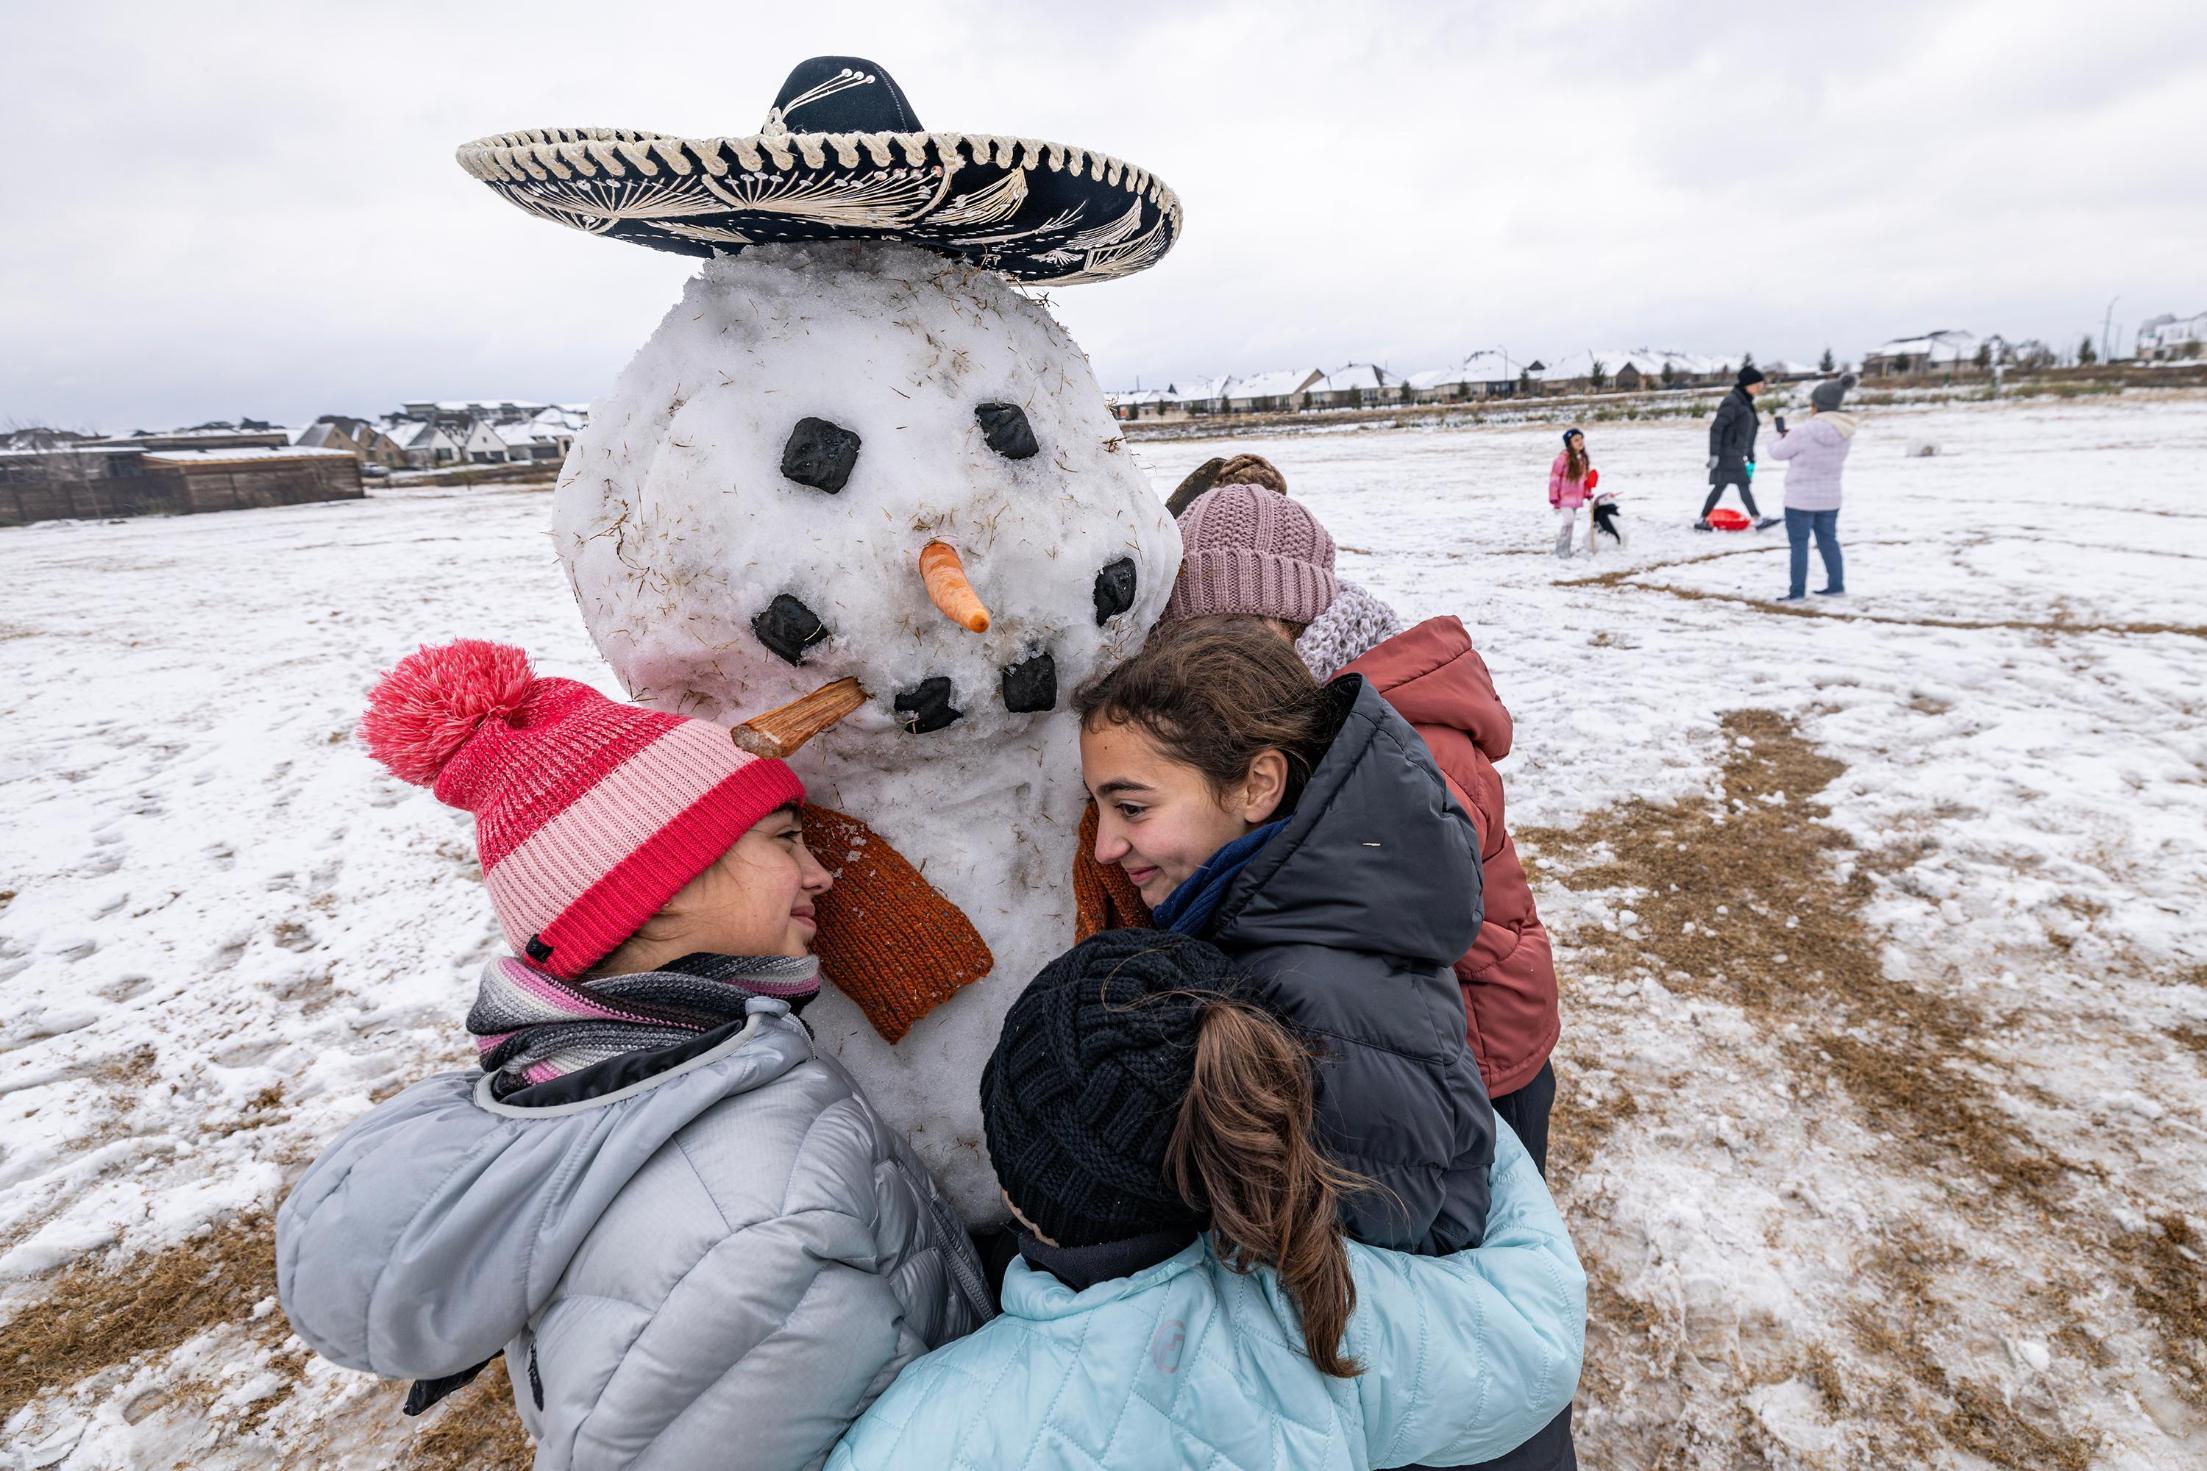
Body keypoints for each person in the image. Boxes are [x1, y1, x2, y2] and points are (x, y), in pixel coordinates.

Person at [276, 639, 989, 1471]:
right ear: (662, 878)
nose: (821, 871)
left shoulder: (599, 1077)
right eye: (786, 838)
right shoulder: (746, 1220)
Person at [826, 930, 1587, 1471]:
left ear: (1012, 1179)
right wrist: (1471, 1112)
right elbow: (1537, 1333)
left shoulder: (922, 1431)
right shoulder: (1328, 1307)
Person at [1134, 466, 1562, 1178]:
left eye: (1232, 632)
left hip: (1480, 1042)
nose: (1210, 660)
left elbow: (1381, 901)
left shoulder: (1411, 731)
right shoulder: (1278, 714)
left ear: (1297, 617)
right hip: (1396, 1043)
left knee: (1489, 1245)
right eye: (1188, 636)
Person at [1076, 621, 1495, 1255]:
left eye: (1132, 808)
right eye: (1097, 809)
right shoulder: (1287, 921)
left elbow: (1372, 1256)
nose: (1105, 848)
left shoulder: (1311, 1003)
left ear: (1257, 786)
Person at [1767, 373, 1859, 601]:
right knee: (1829, 541)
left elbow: (1777, 453)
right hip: (1830, 498)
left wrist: (1776, 437)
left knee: (1799, 545)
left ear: (1816, 404)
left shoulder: (1803, 431)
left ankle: (1797, 592)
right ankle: (1836, 585)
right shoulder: (1845, 433)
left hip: (1799, 499)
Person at [1698, 365, 1780, 530]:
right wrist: (1714, 454)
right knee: (1743, 484)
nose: (1760, 387)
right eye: (1757, 384)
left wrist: (1749, 453)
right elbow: (1717, 428)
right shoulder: (1732, 402)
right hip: (1728, 453)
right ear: (1747, 384)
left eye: (1761, 384)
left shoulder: (1745, 401)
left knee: (1721, 486)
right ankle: (1757, 519)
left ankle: (1701, 519)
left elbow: (1747, 431)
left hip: (1735, 452)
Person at [1549, 427, 1596, 557]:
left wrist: (1587, 493)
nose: (1580, 442)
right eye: (1576, 440)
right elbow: (1554, 479)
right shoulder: (1562, 458)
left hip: (1576, 498)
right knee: (1568, 521)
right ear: (1569, 443)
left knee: (1570, 525)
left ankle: (1565, 550)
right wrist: (1554, 497)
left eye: (1581, 439)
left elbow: (1585, 479)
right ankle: (1560, 550)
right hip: (1563, 497)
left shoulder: (1583, 459)